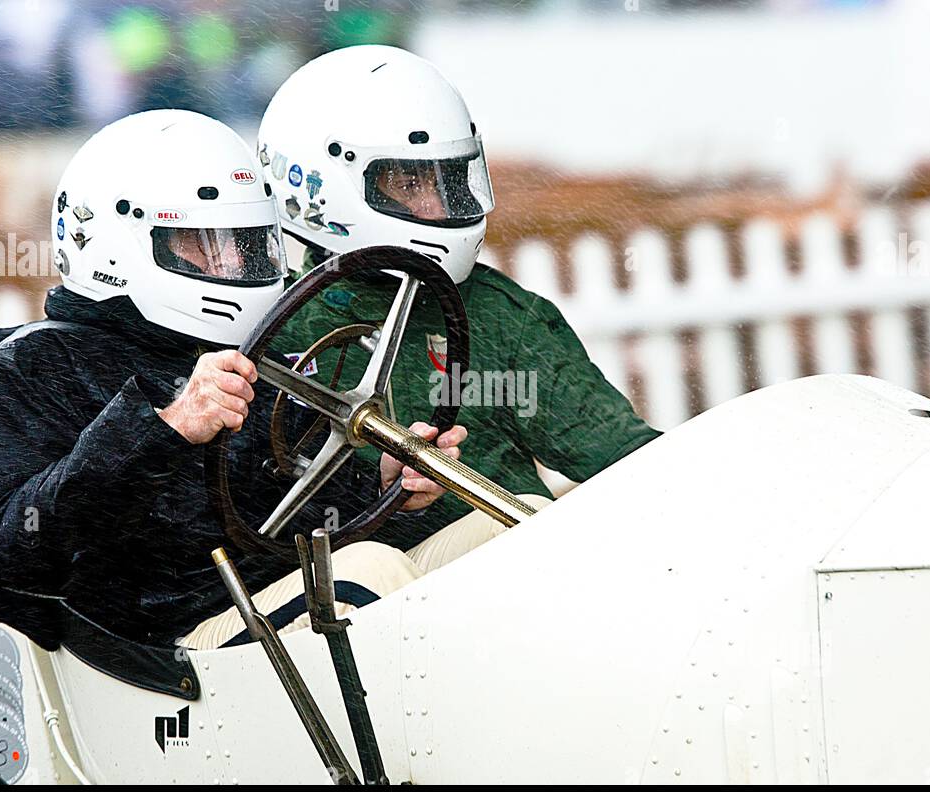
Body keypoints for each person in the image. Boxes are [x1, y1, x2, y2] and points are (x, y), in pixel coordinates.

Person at [0, 109, 526, 650]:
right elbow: (2, 566)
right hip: (161, 652)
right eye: (202, 246)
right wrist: (163, 431)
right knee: (362, 573)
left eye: (244, 247)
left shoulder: (256, 355)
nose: (231, 268)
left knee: (525, 527)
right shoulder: (23, 372)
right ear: (119, 245)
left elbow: (301, 508)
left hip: (281, 606)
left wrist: (388, 489)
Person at [255, 45, 659, 552]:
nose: (438, 205)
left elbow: (635, 464)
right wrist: (377, 492)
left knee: (529, 516)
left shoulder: (498, 316)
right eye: (409, 182)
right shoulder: (265, 330)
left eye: (449, 180)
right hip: (354, 605)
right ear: (322, 186)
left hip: (521, 584)